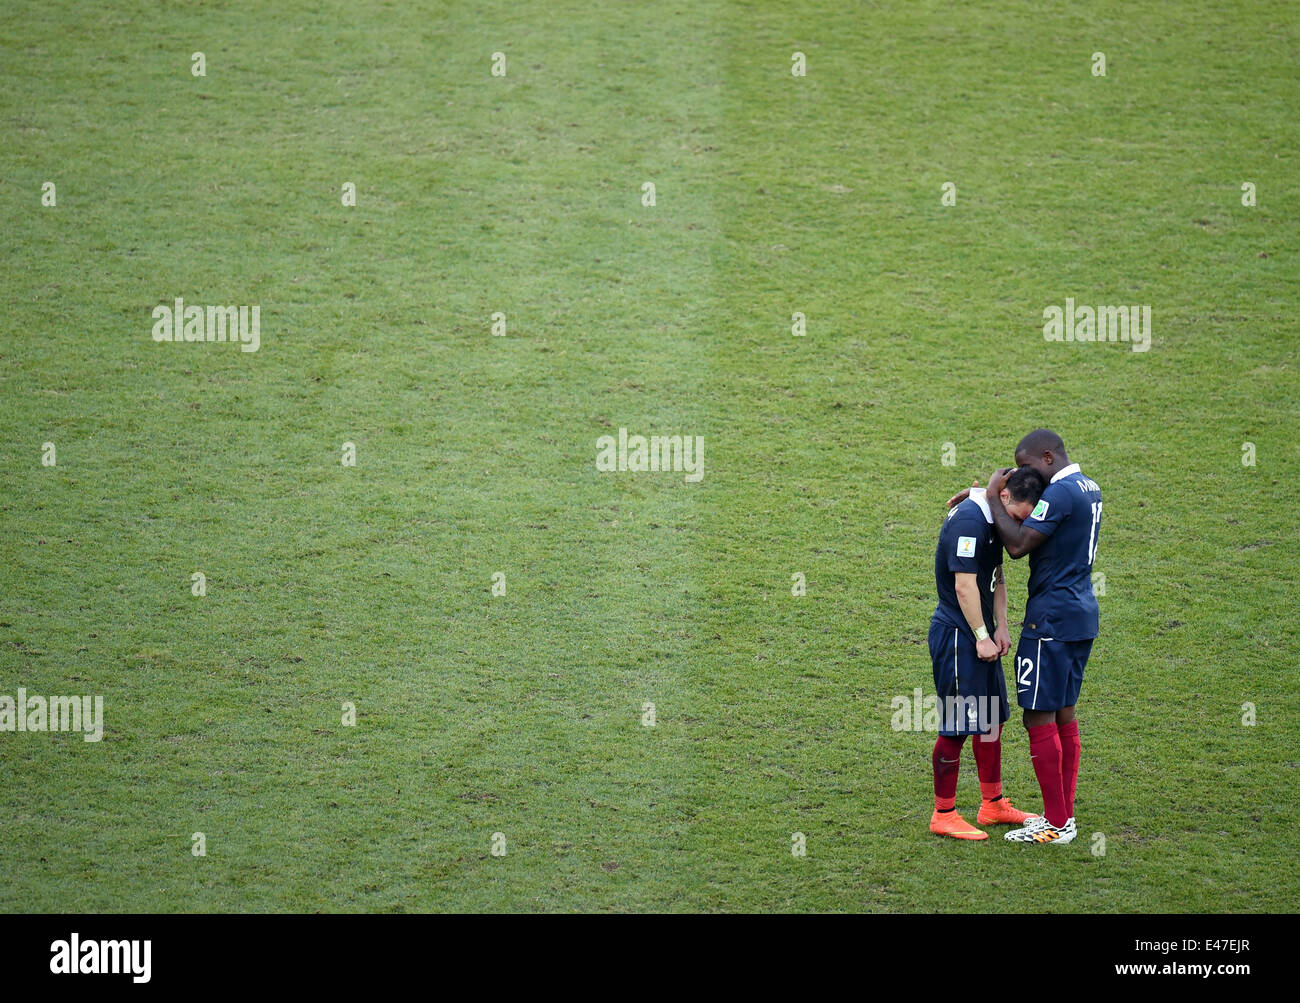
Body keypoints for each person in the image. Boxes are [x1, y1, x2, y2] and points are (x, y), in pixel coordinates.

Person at [979, 429, 1103, 845]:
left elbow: (1017, 546)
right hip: (1081, 613)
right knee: (1064, 712)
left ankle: (1055, 822)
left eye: (1029, 467)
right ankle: (1063, 819)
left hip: (1050, 619)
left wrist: (993, 497)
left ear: (1047, 456)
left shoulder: (1063, 492)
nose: (1025, 479)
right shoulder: (1089, 487)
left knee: (1038, 714)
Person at [928, 466, 1047, 840]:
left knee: (990, 719)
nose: (1016, 527)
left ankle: (992, 804)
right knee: (958, 725)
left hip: (979, 632)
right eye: (1015, 518)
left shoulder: (992, 514)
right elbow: (964, 586)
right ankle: (943, 813)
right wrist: (981, 636)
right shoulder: (970, 521)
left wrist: (1002, 626)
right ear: (1005, 497)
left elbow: (996, 576)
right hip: (959, 634)